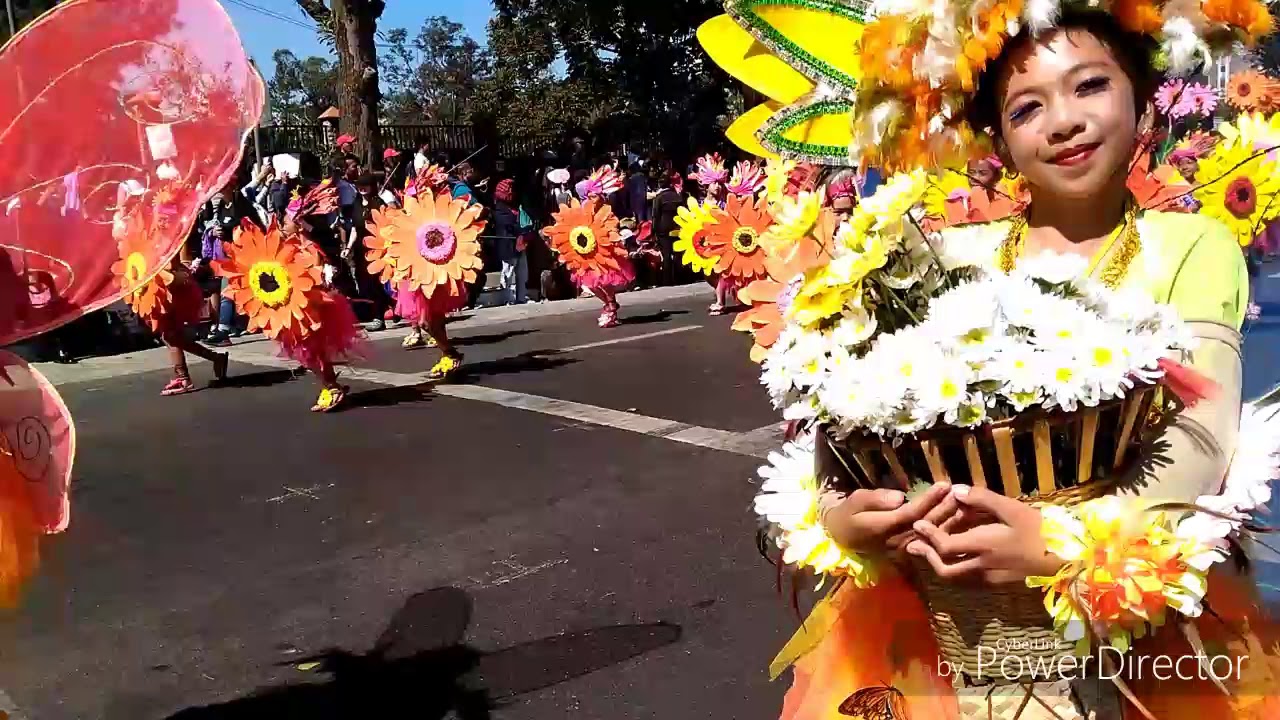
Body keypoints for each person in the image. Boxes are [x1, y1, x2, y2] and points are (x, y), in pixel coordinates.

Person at [702, 0, 1278, 717]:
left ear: (1146, 109)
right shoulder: (945, 259)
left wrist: (1065, 544)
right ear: (1000, 146)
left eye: (1090, 86)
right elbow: (846, 409)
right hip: (954, 628)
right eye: (1027, 108)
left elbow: (1202, 433)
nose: (1063, 121)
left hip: (1143, 627)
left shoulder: (1190, 245)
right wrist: (840, 512)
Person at [545, 166, 633, 327]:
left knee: (603, 282)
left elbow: (611, 227)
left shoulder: (606, 209)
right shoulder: (582, 207)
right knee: (591, 285)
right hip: (585, 255)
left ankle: (610, 306)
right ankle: (609, 303)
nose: (593, 198)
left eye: (595, 195)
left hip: (604, 253)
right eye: (590, 195)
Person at [492, 179, 528, 305]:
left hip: (520, 243)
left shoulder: (515, 207)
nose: (512, 191)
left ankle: (521, 297)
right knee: (508, 271)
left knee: (522, 273)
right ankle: (507, 298)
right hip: (508, 244)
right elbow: (508, 224)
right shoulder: (499, 209)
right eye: (509, 189)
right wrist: (520, 228)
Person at [650, 172, 685, 286]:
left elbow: (655, 215)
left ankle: (667, 280)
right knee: (678, 253)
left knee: (666, 254)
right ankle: (681, 277)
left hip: (663, 229)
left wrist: (653, 231)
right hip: (677, 227)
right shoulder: (677, 196)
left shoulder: (659, 198)